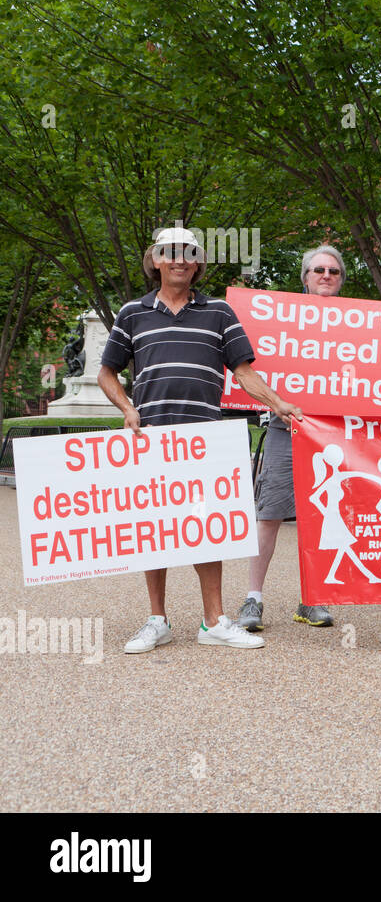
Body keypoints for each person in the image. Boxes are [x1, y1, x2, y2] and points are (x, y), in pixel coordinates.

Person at [97, 226, 302, 653]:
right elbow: (106, 373)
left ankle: (213, 622)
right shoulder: (132, 312)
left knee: (206, 528)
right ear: (155, 260)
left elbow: (243, 372)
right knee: (153, 530)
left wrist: (278, 402)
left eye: (188, 253)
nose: (179, 260)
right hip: (150, 437)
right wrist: (127, 408)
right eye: (169, 253)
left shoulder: (221, 312)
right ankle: (158, 620)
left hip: (204, 440)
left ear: (198, 263)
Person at [238, 245, 381, 631]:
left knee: (321, 518)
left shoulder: (365, 325)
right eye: (318, 270)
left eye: (333, 271)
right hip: (289, 430)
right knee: (268, 513)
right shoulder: (282, 322)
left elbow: (377, 384)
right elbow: (251, 371)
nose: (326, 276)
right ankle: (253, 599)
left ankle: (312, 600)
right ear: (305, 278)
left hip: (338, 436)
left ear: (341, 279)